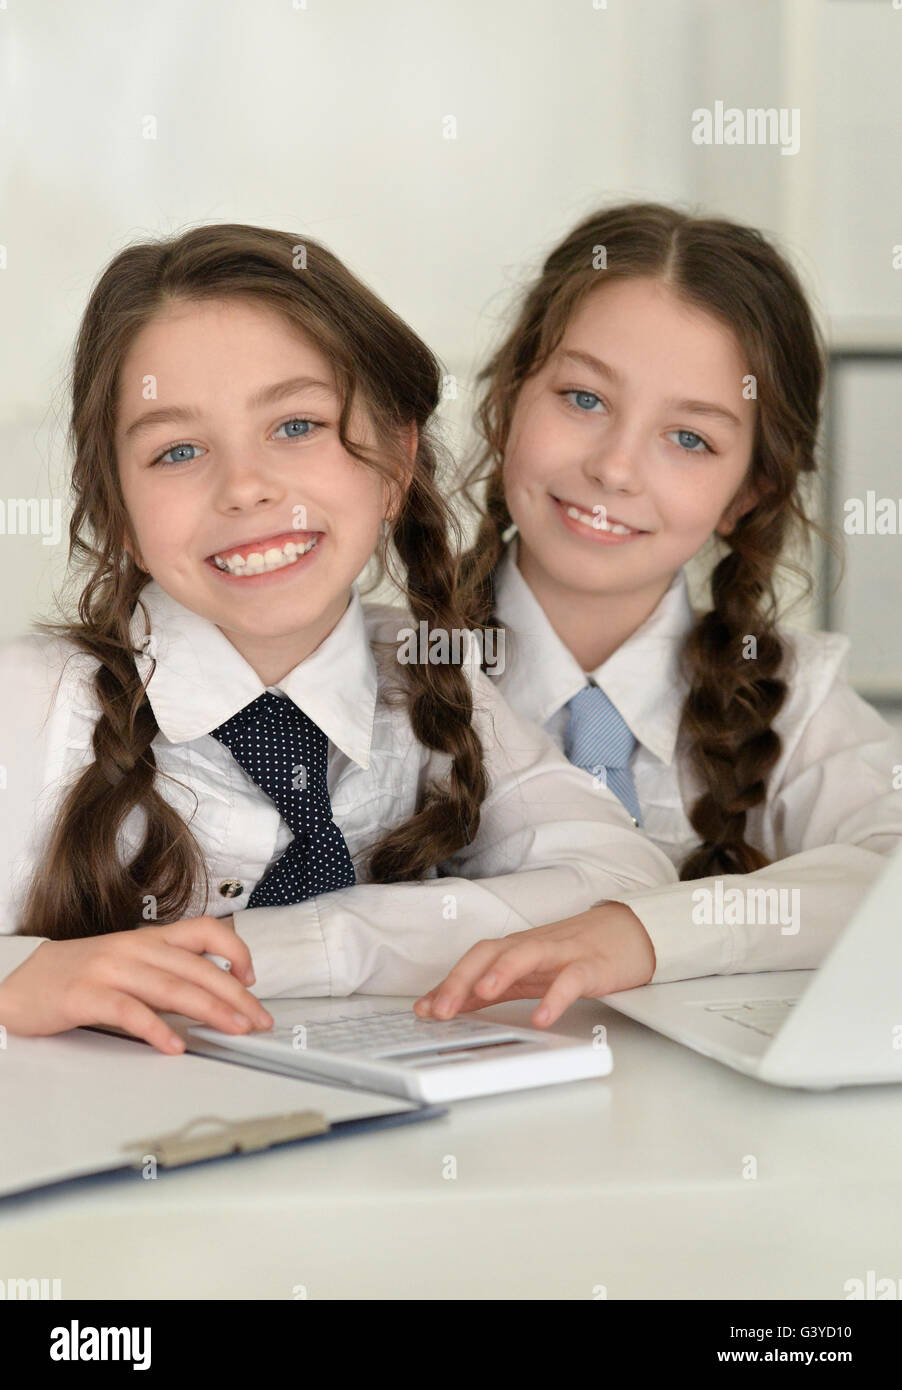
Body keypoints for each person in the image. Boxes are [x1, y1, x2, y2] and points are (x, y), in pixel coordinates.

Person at [0, 221, 677, 1054]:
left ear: (395, 464)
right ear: (122, 517)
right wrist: (21, 978)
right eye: (178, 450)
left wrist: (286, 950)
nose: (245, 487)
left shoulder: (428, 681)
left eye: (296, 426)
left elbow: (620, 878)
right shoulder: (29, 705)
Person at [415, 202, 902, 1027]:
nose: (614, 467)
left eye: (690, 440)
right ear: (506, 404)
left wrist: (645, 932)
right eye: (582, 397)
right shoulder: (388, 673)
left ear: (747, 494)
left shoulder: (794, 697)